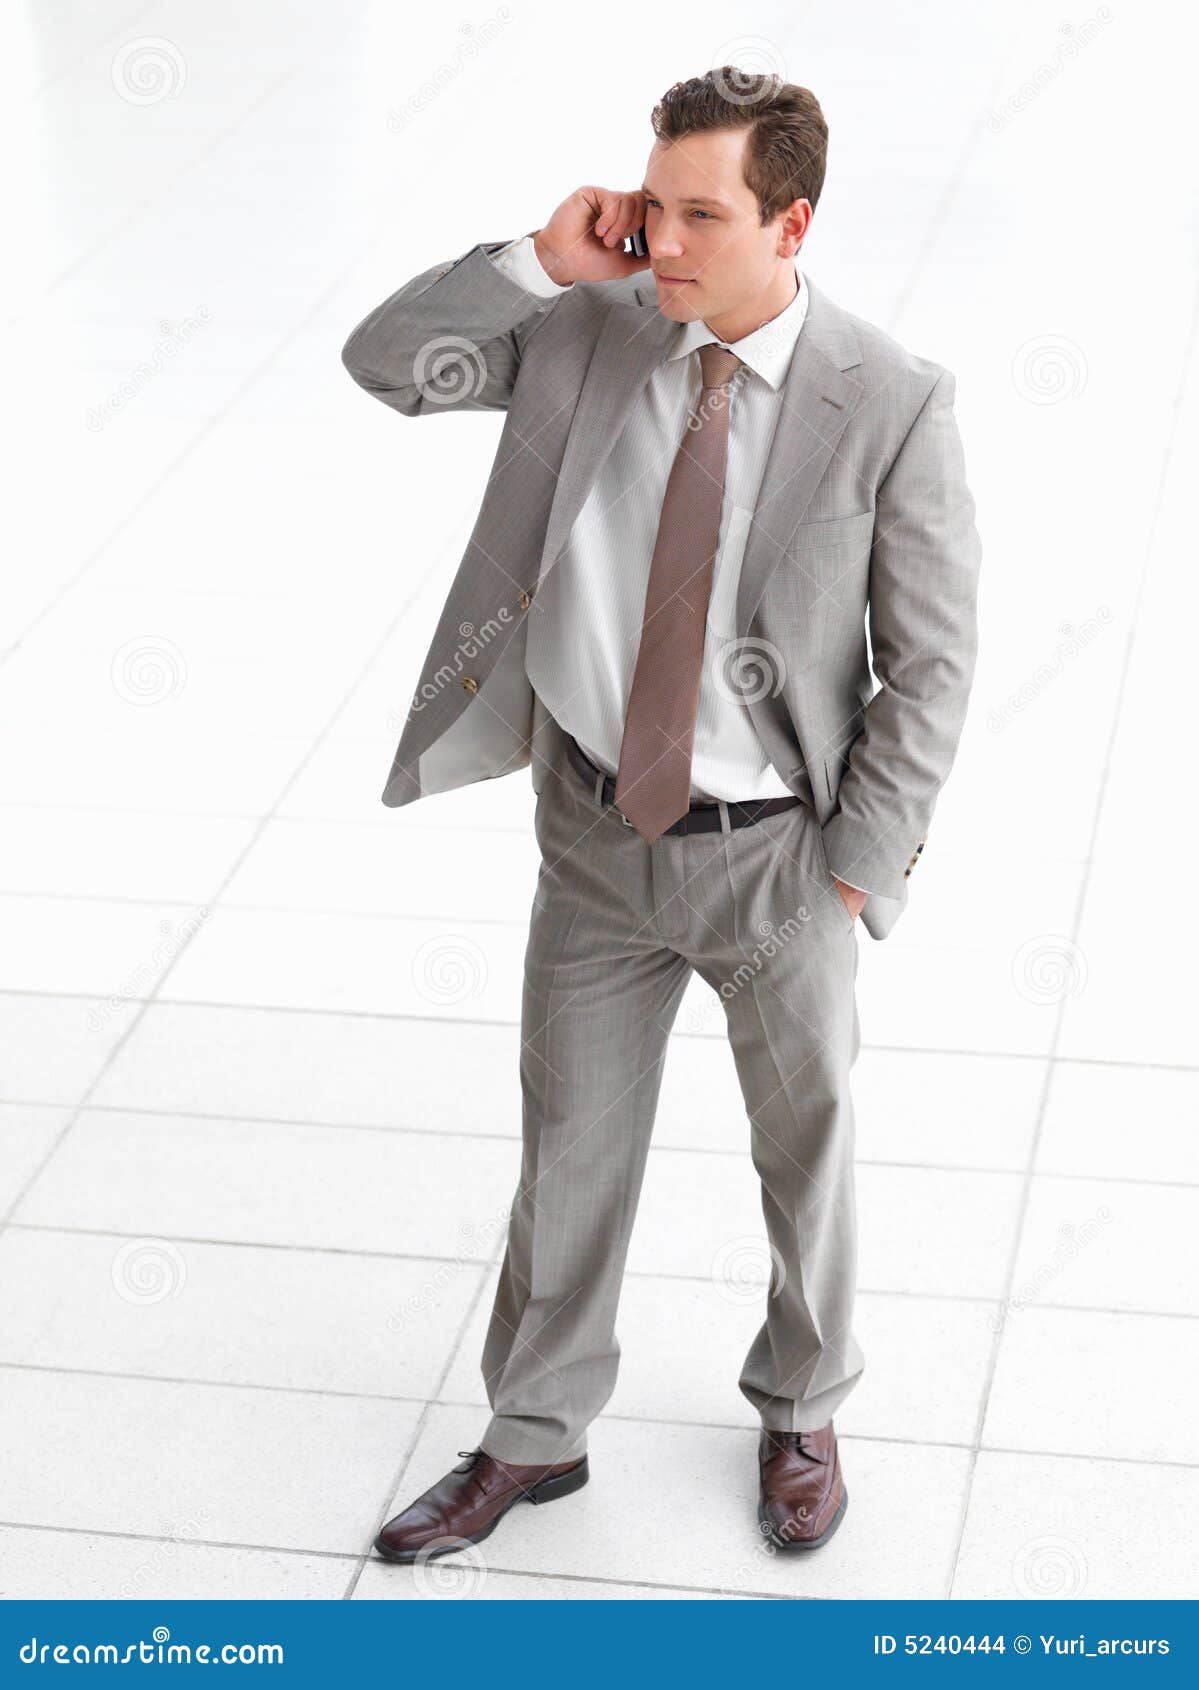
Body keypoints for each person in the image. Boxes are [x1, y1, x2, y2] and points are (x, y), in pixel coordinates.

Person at [341, 68, 982, 1564]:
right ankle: (533, 1434)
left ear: (792, 221)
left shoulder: (889, 400)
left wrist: (852, 870)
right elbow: (385, 363)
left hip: (776, 860)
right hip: (593, 834)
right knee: (568, 1141)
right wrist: (537, 262)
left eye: (703, 214)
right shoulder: (585, 332)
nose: (666, 239)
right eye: (654, 201)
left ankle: (803, 1403)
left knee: (803, 1145)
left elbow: (933, 663)